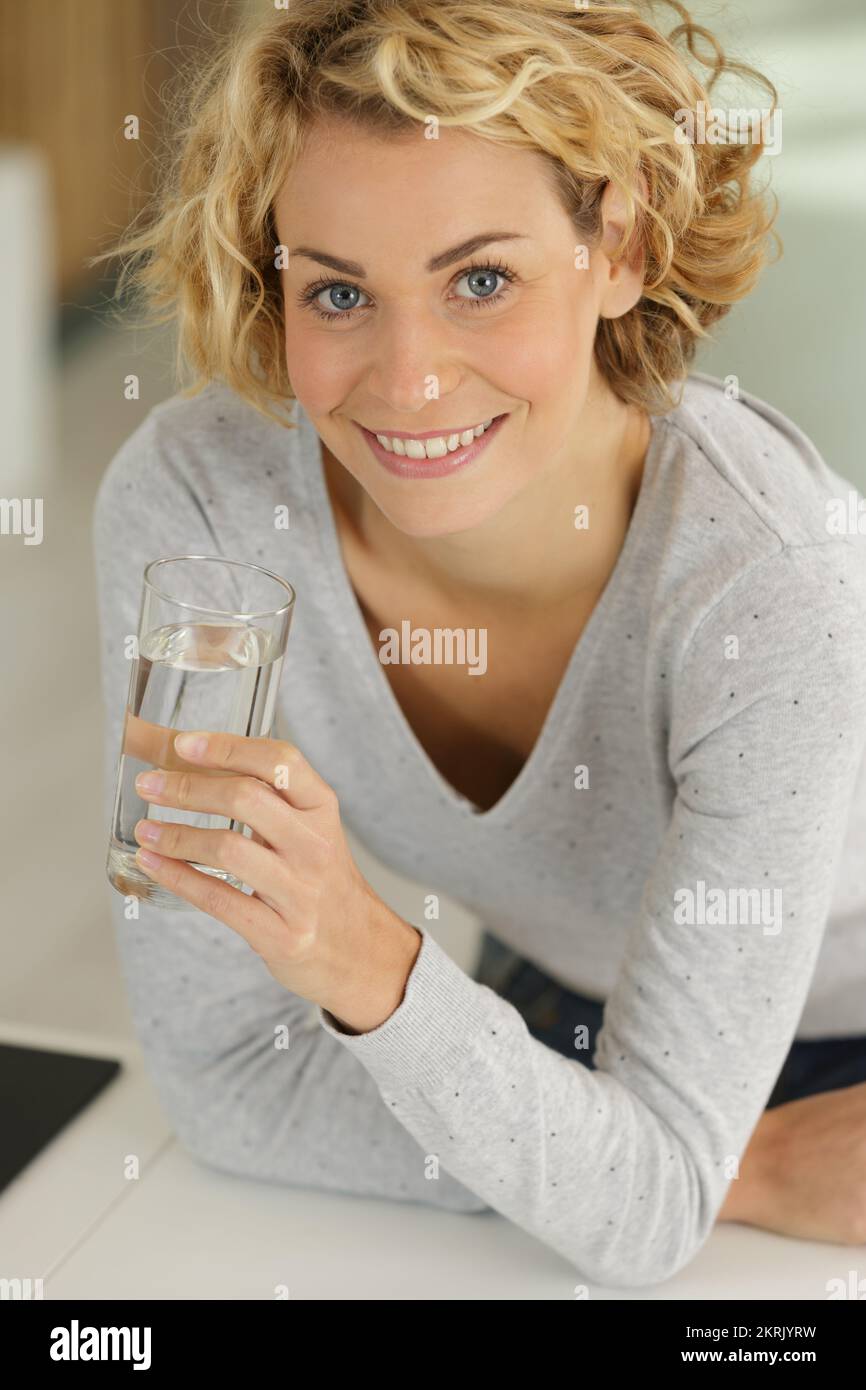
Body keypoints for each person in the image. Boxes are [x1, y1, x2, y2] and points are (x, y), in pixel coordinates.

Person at [91, 0, 866, 1288]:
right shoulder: (204, 512)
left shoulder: (770, 585)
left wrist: (357, 956)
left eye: (481, 279)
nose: (406, 380)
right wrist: (742, 1168)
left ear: (616, 243)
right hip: (575, 1023)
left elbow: (646, 1214)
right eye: (337, 290)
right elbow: (230, 1078)